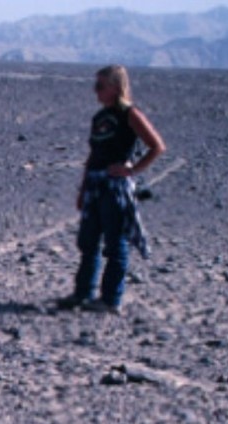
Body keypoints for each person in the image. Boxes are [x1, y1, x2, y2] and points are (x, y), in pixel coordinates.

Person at [57, 64, 166, 314]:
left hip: (114, 187)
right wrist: (83, 189)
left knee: (115, 243)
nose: (95, 91)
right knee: (88, 241)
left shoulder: (130, 114)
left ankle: (110, 299)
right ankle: (83, 293)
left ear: (115, 87)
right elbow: (93, 155)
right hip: (95, 184)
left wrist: (132, 169)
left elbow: (157, 146)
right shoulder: (99, 118)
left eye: (100, 86)